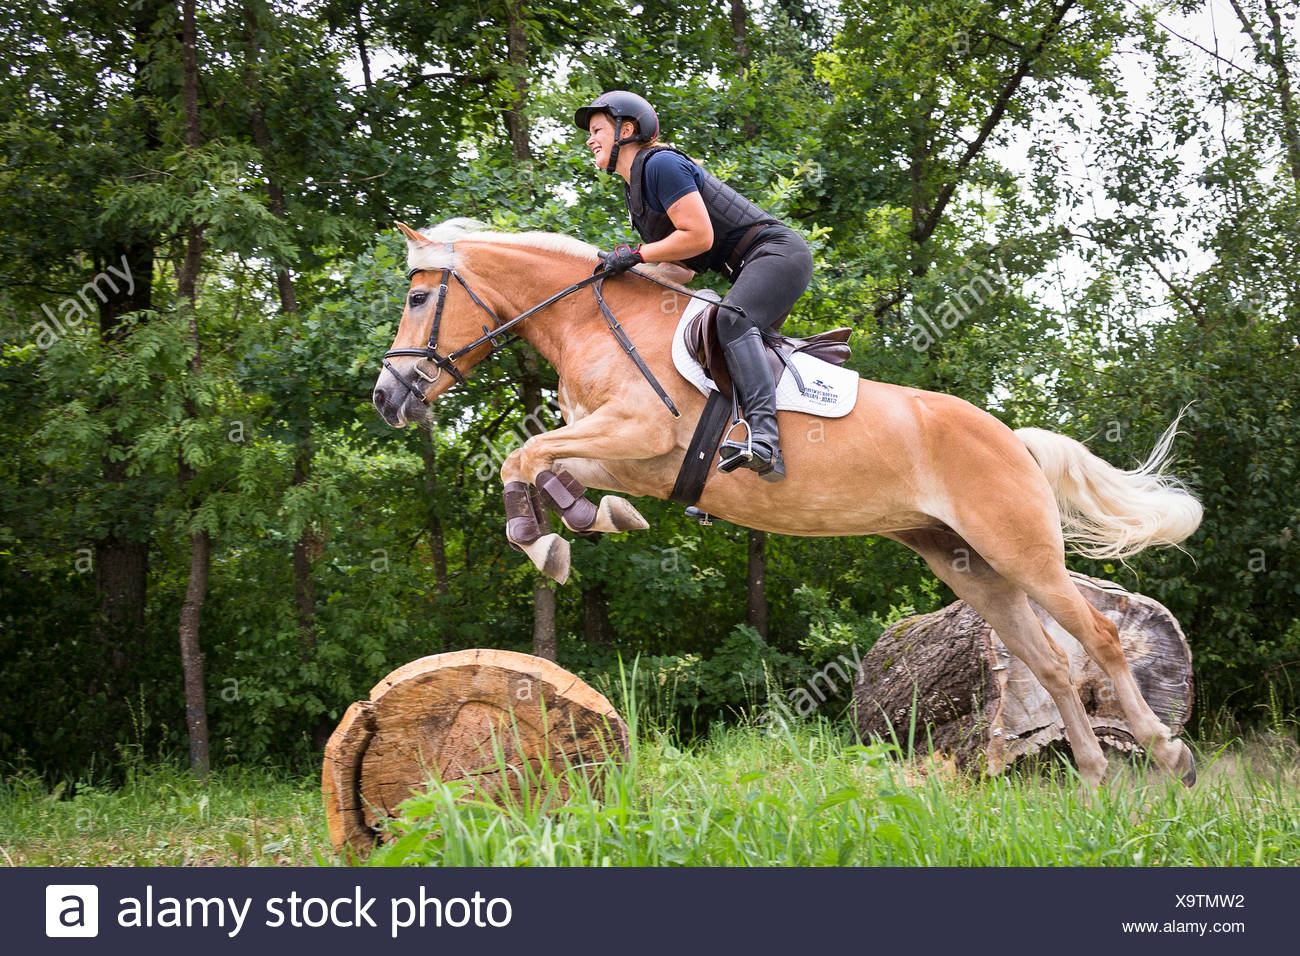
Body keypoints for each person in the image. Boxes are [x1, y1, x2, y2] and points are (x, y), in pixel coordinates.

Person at [575, 90, 814, 483]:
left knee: (730, 322)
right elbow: (680, 271)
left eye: (597, 129)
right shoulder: (634, 193)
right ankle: (722, 475)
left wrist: (636, 253)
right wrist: (622, 279)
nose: (590, 139)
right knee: (707, 351)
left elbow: (699, 236)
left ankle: (766, 441)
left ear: (627, 130)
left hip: (776, 254)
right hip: (753, 266)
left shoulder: (661, 165)